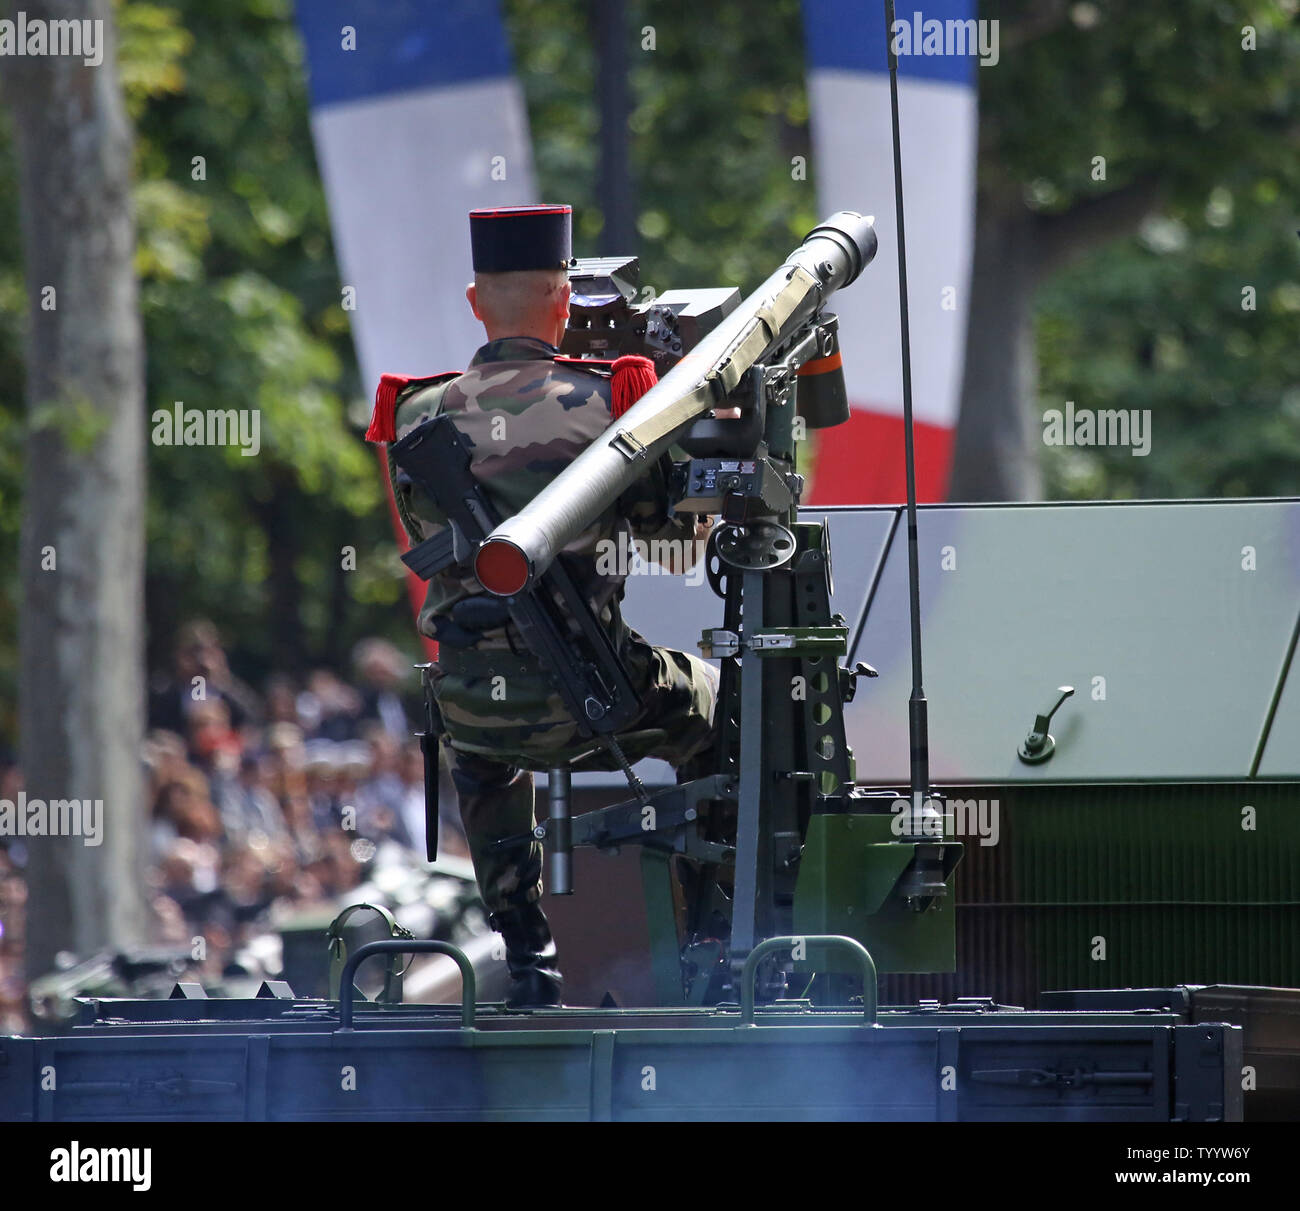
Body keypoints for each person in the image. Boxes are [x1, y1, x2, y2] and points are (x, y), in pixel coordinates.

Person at [366, 204, 718, 1007]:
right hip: (598, 699)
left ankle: (530, 961)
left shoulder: (416, 417)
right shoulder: (611, 404)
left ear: (473, 300)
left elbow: (428, 534)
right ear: (566, 301)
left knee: (485, 751)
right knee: (727, 708)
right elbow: (677, 541)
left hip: (475, 710)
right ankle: (711, 940)